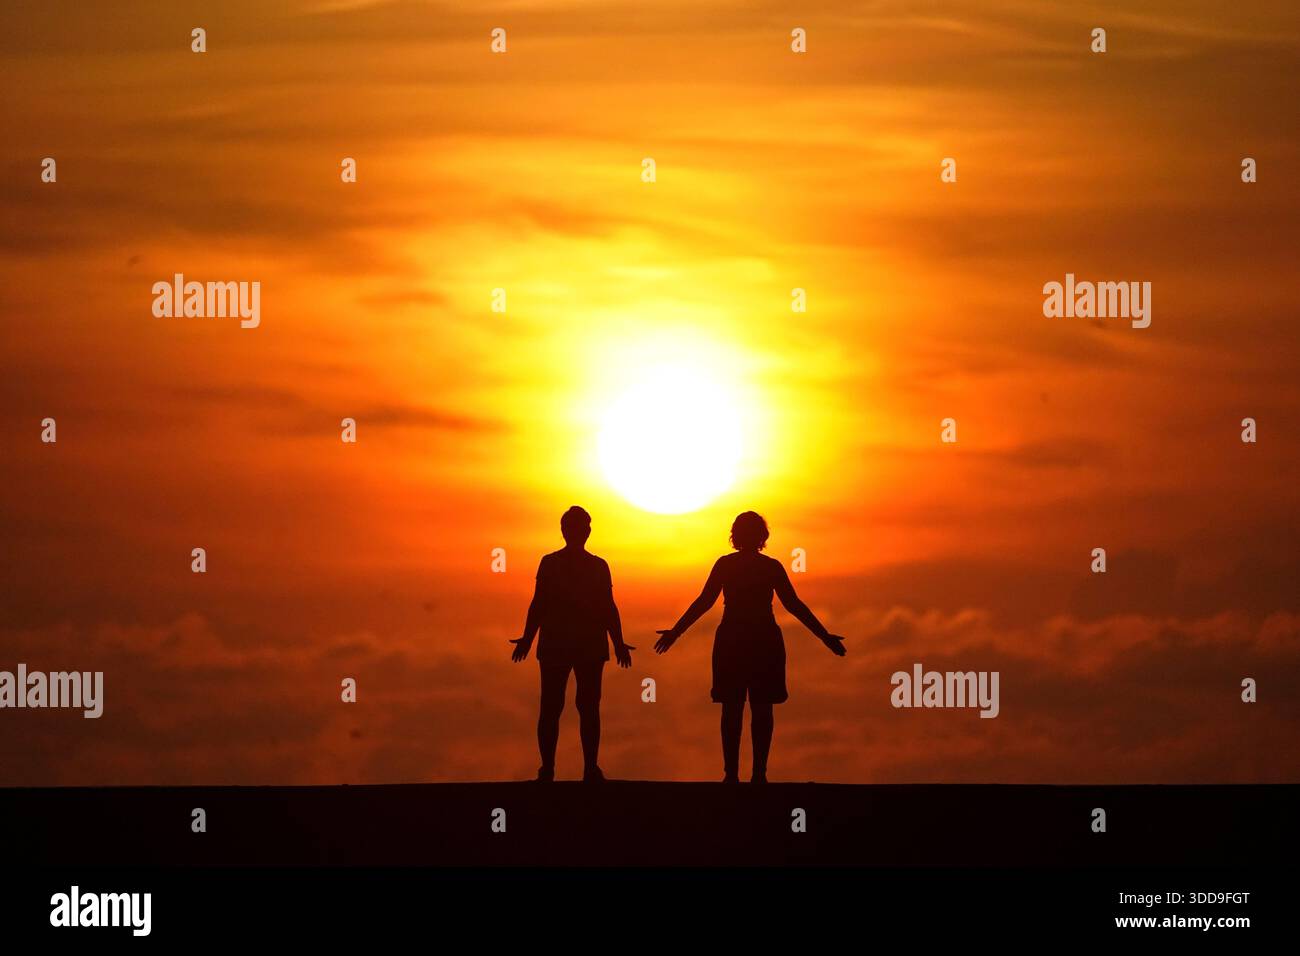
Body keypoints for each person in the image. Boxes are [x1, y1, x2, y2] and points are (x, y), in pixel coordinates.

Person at [655, 511, 846, 783]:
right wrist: (824, 636)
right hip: (760, 640)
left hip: (737, 639)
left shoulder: (730, 565)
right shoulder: (770, 567)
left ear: (736, 535)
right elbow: (793, 605)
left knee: (734, 708)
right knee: (760, 708)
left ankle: (734, 775)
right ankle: (757, 774)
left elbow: (705, 601)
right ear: (762, 537)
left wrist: (676, 632)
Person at [511, 506, 633, 782]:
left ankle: (573, 768)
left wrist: (619, 642)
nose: (580, 531)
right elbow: (540, 603)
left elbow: (605, 607)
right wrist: (528, 639)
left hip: (572, 643)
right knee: (570, 706)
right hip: (571, 643)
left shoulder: (565, 564)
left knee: (570, 706)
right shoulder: (570, 564)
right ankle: (563, 768)